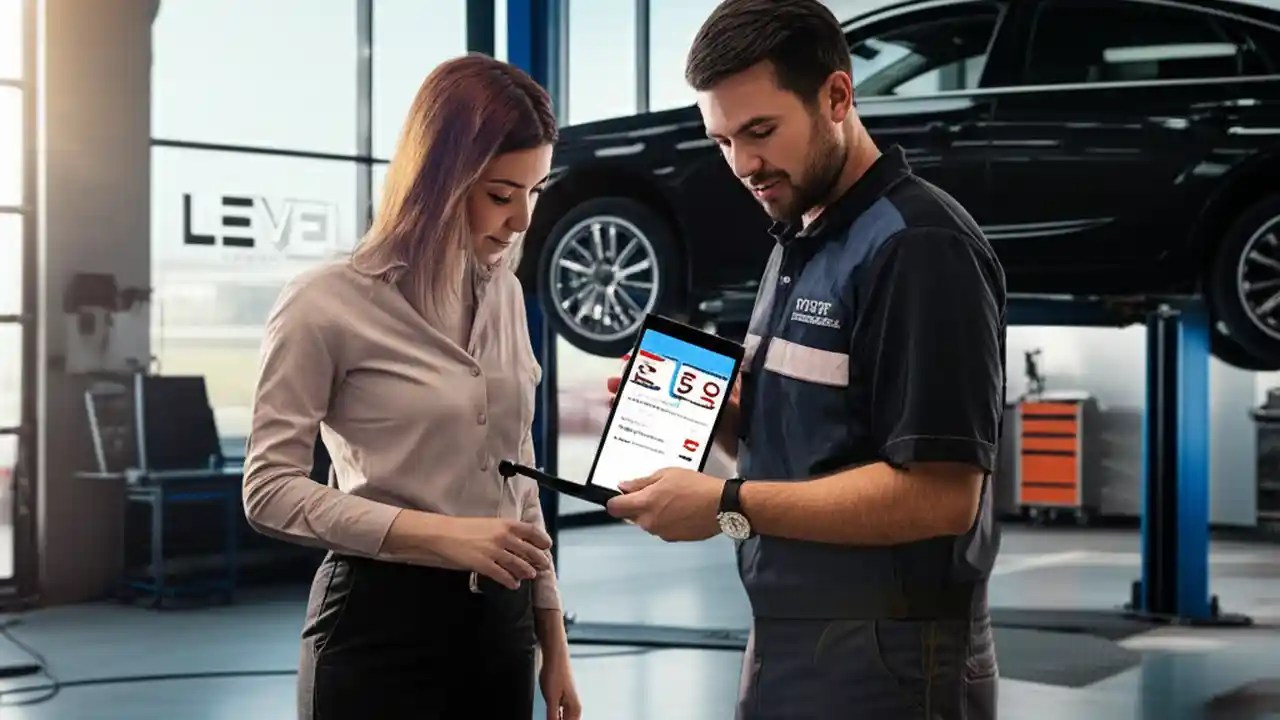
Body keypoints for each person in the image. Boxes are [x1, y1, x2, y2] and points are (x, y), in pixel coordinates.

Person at [604, 1, 1006, 718]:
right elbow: (808, 455)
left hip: (892, 662)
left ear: (837, 97)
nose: (744, 165)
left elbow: (943, 496)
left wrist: (726, 504)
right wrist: (722, 427)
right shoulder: (796, 238)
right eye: (722, 141)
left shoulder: (918, 247)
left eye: (760, 132)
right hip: (787, 639)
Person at [242, 54, 581, 720]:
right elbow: (268, 490)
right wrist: (441, 537)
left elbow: (518, 471)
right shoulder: (322, 303)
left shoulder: (506, 292)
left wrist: (552, 633)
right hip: (377, 630)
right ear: (438, 178)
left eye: (535, 193)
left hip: (501, 632)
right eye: (501, 195)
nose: (520, 223)